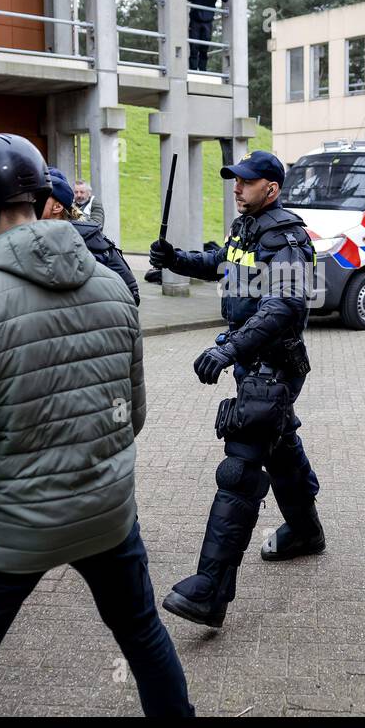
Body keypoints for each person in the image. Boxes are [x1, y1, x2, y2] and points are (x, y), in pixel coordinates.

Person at [0, 133, 192, 716]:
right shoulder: (112, 284)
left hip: (9, 530)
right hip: (107, 515)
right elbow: (131, 414)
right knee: (143, 636)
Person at [149, 150, 324, 628]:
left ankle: (210, 590)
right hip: (252, 361)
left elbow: (284, 304)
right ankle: (306, 532)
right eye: (235, 181)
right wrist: (177, 260)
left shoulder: (285, 236)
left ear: (271, 186)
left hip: (275, 366)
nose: (237, 187)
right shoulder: (246, 228)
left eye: (246, 182)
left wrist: (229, 348)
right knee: (280, 447)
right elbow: (221, 266)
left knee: (240, 465)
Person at [45, 168, 138, 304]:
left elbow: (97, 224)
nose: (79, 195)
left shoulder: (89, 235)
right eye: (76, 192)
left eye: (82, 192)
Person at [187, 0, 228, 72]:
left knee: (204, 48)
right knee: (194, 47)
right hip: (195, 20)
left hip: (207, 22)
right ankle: (193, 71)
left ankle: (203, 71)